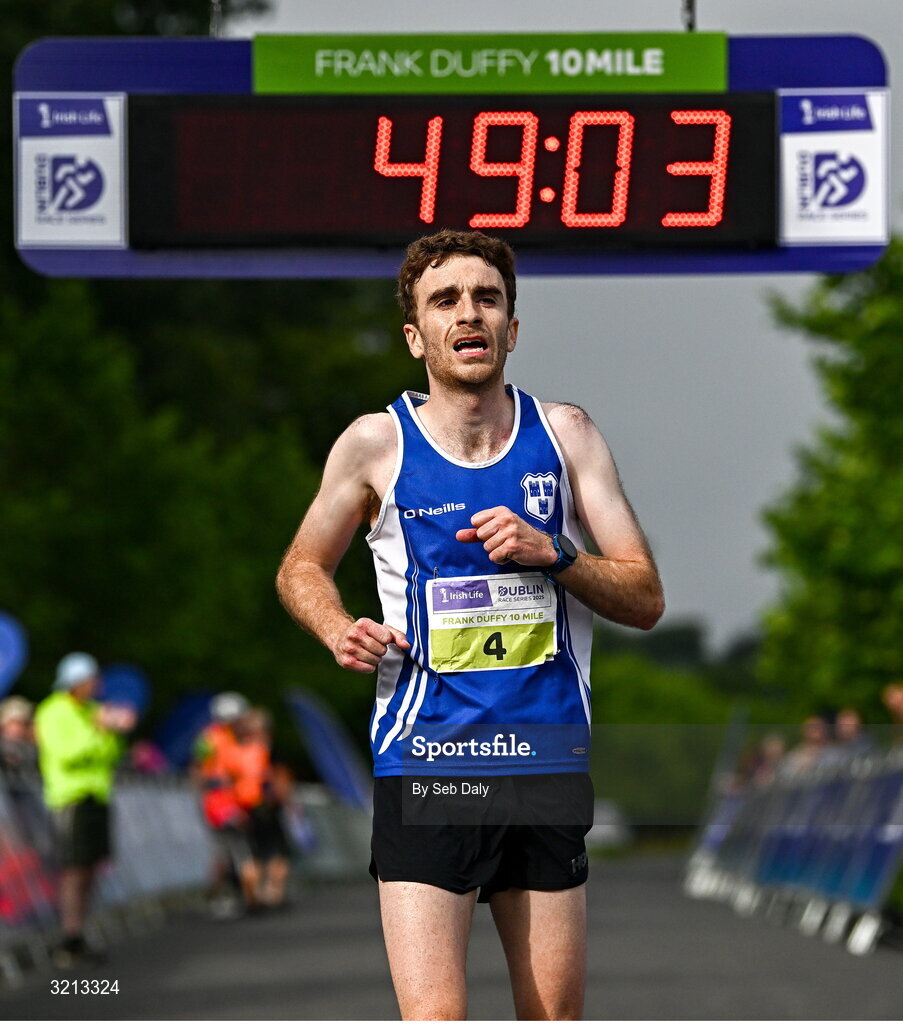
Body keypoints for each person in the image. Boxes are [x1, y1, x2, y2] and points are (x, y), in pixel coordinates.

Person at [276, 229, 663, 1020]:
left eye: (486, 298)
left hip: (543, 760)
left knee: (551, 1014)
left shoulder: (565, 437)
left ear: (511, 328)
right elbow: (300, 567)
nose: (469, 313)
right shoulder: (375, 444)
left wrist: (552, 551)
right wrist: (335, 626)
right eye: (445, 300)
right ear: (417, 334)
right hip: (426, 763)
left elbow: (644, 596)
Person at [33, 652, 135, 967]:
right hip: (69, 799)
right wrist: (99, 730)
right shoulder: (53, 712)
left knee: (90, 868)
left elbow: (110, 756)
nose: (96, 685)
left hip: (96, 796)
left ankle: (79, 931)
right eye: (91, 680)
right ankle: (69, 935)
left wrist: (114, 732)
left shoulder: (92, 710)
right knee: (73, 868)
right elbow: (65, 754)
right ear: (75, 683)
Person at [191, 691, 253, 916]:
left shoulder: (236, 738)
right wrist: (214, 785)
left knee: (231, 849)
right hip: (218, 803)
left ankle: (234, 893)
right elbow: (197, 771)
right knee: (225, 851)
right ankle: (220, 895)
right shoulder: (210, 739)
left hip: (234, 800)